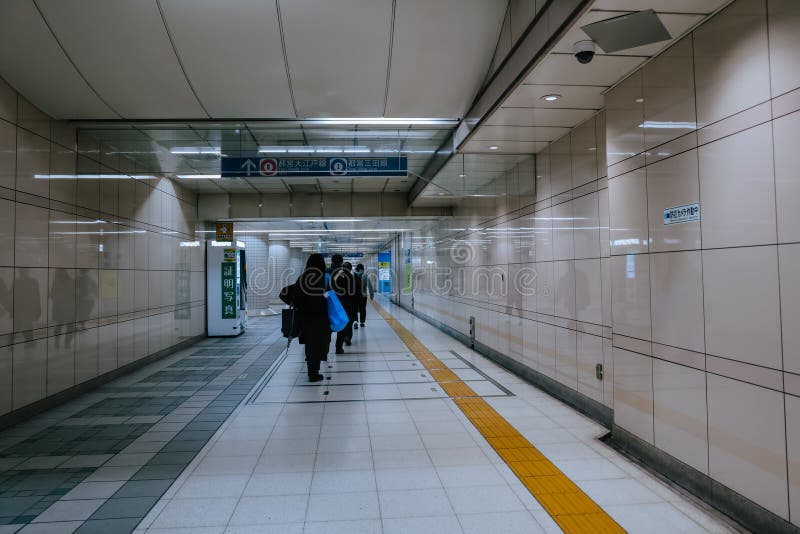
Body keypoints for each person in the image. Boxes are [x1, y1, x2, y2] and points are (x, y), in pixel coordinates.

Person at [292, 253, 330, 382]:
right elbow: (327, 296)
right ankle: (314, 372)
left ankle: (312, 370)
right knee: (319, 343)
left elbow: (295, 297)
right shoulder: (323, 279)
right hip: (320, 317)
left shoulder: (301, 278)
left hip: (304, 317)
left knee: (309, 344)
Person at [327, 254, 357, 354]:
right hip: (343, 305)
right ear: (341, 262)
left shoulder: (325, 272)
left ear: (331, 261)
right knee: (342, 325)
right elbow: (353, 292)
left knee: (327, 326)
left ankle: (326, 349)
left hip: (328, 303)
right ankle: (338, 347)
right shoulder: (348, 274)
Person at [353, 263, 374, 328]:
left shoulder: (352, 275)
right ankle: (362, 322)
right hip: (363, 296)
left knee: (355, 309)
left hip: (354, 295)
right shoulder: (365, 275)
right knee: (363, 309)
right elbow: (369, 286)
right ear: (362, 269)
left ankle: (355, 322)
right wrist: (371, 295)